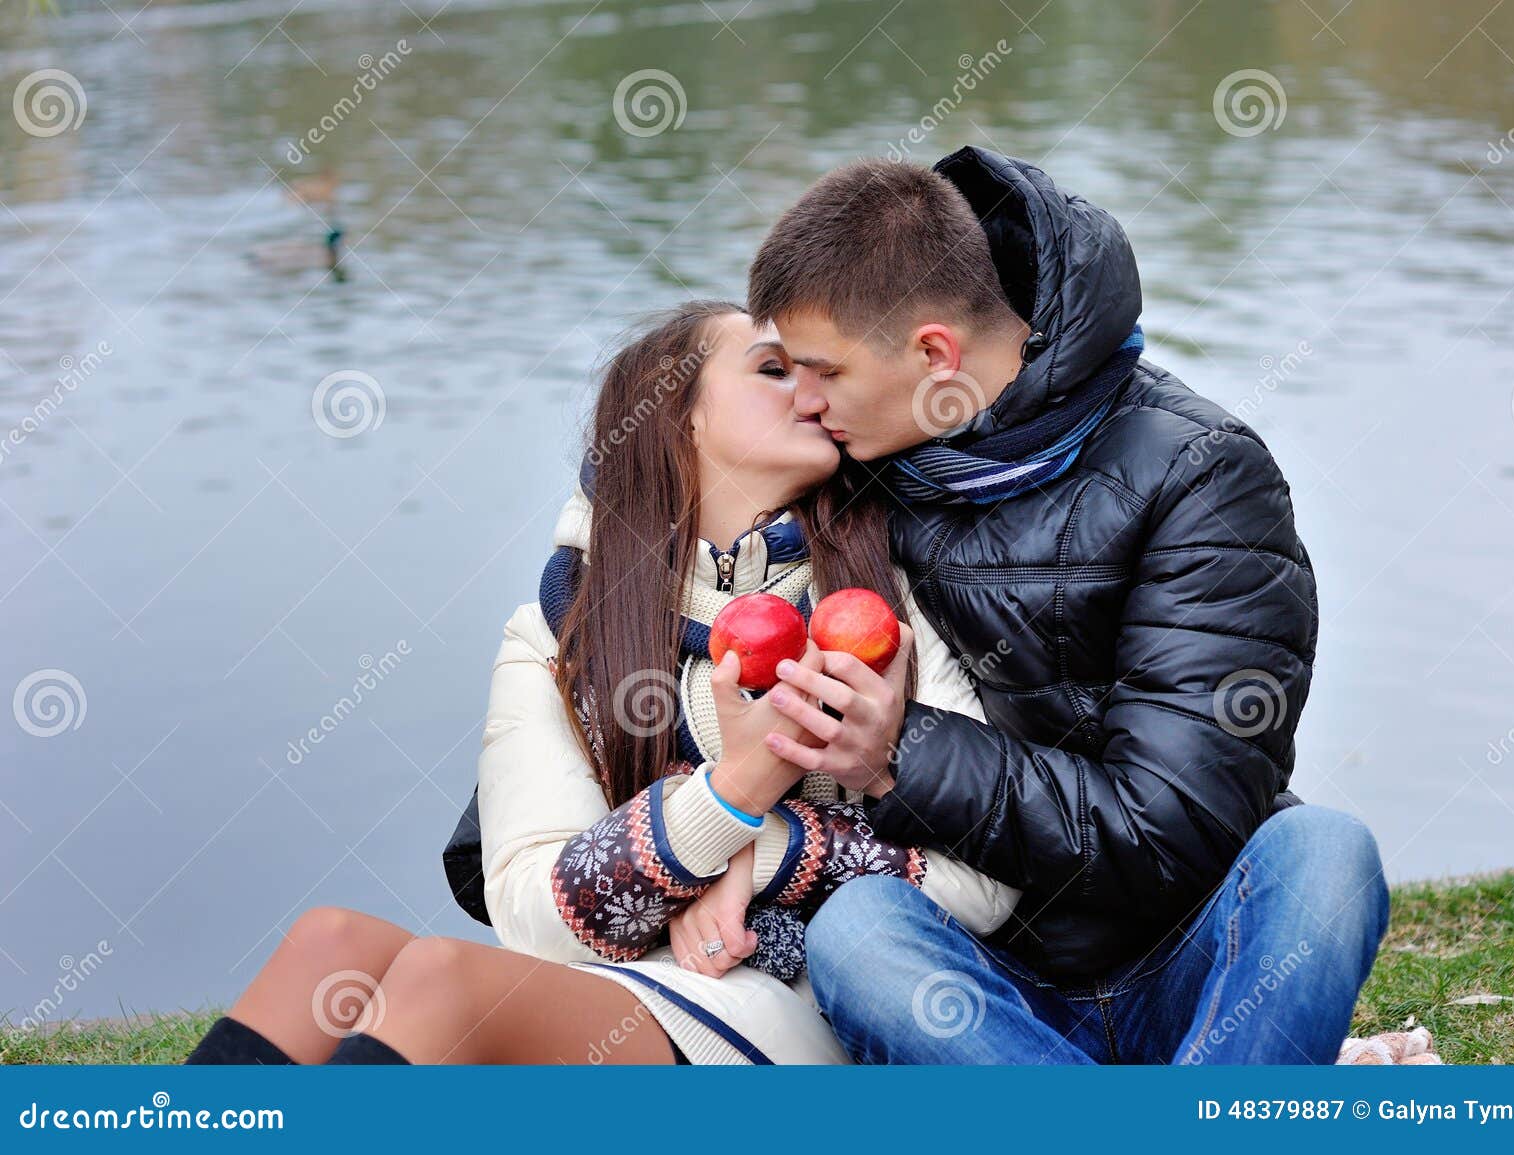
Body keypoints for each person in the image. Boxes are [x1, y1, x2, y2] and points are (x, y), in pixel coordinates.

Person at [183, 300, 1016, 1066]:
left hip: (802, 1002)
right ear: (672, 420)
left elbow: (986, 879)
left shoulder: (890, 594)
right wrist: (732, 791)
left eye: (818, 368)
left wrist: (764, 849)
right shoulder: (561, 628)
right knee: (329, 944)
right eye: (772, 368)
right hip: (620, 979)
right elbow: (529, 908)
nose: (814, 388)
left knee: (440, 979)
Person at [742, 147, 1390, 1064]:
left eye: (824, 373)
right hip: (979, 990)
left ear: (934, 353)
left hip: (1190, 965)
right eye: (783, 371)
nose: (802, 405)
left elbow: (1172, 828)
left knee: (1325, 857)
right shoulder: (847, 472)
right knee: (859, 931)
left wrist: (904, 752)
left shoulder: (1200, 473)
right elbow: (659, 495)